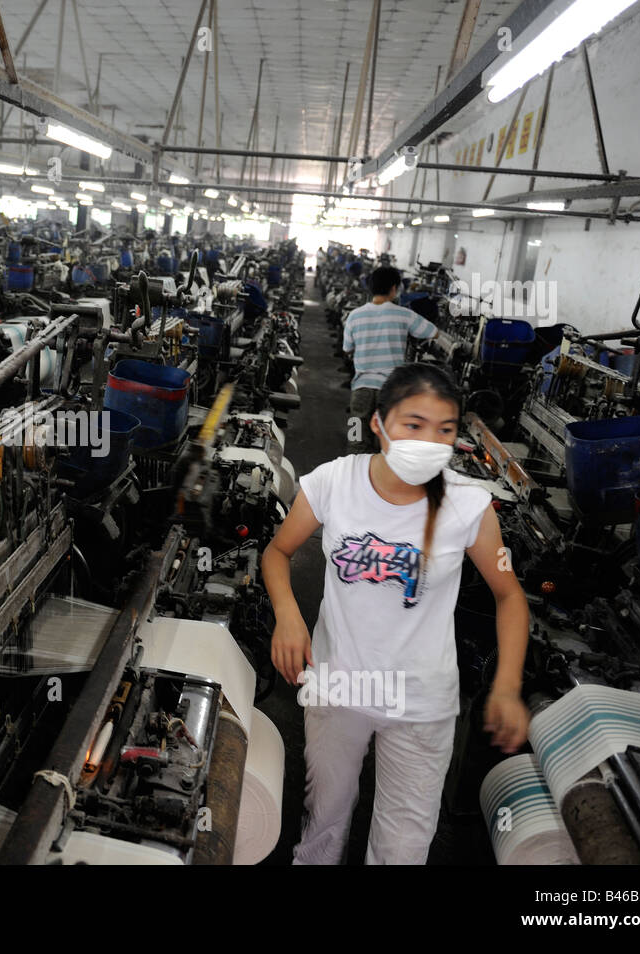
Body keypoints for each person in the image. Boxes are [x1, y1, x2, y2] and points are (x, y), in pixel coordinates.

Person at [260, 363, 529, 865]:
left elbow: (509, 596)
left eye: (444, 430)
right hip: (340, 686)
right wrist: (288, 615)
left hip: (421, 702)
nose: (429, 441)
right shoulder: (333, 483)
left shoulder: (470, 506)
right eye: (413, 424)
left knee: (403, 848)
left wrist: (508, 686)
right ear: (378, 424)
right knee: (323, 823)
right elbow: (278, 553)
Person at [343, 266, 456, 453]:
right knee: (386, 442)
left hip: (361, 387)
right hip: (390, 390)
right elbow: (434, 333)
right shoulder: (404, 315)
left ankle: (352, 468)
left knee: (355, 433)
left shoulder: (355, 316)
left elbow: (347, 349)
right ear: (394, 289)